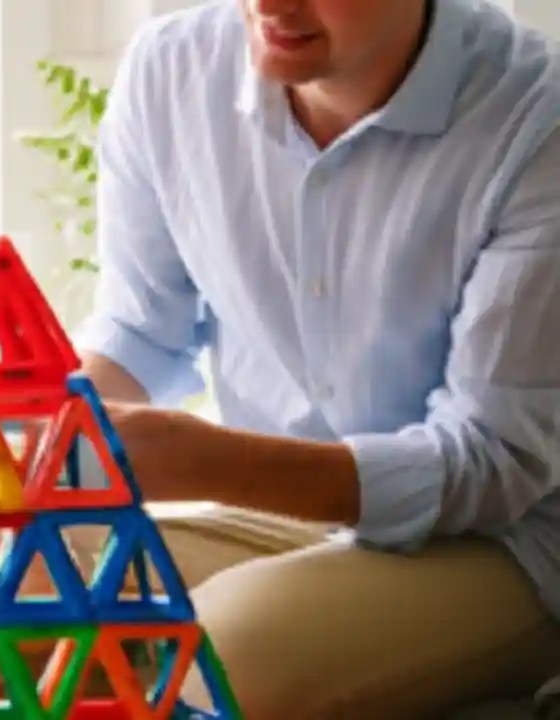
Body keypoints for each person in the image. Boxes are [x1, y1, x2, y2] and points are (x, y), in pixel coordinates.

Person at [70, 0, 560, 717]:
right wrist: (30, 448)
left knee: (221, 656)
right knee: (4, 583)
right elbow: (141, 330)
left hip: (498, 545)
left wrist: (208, 462)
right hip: (286, 524)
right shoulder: (170, 70)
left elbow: (491, 461)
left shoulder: (534, 125)